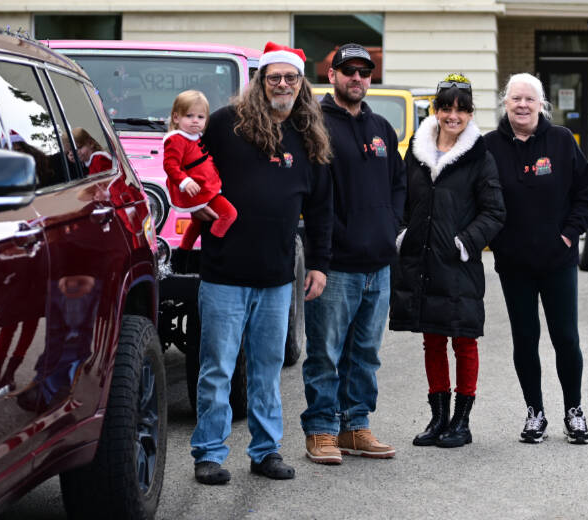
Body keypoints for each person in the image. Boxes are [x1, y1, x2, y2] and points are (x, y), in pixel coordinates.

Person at [190, 42, 333, 486]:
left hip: (276, 279)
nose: (283, 85)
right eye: (275, 77)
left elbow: (323, 209)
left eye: (291, 78)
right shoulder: (223, 126)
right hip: (224, 273)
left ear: (301, 84)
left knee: (268, 371)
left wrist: (319, 264)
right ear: (261, 81)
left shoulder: (309, 137)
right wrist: (191, 203)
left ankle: (265, 450)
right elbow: (188, 170)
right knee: (217, 369)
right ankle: (209, 454)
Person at [301, 43, 406, 464]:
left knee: (366, 354)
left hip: (378, 264)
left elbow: (399, 182)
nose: (358, 78)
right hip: (336, 266)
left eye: (365, 71)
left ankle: (355, 426)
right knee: (325, 353)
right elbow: (310, 195)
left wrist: (391, 223)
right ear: (332, 76)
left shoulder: (382, 127)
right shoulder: (316, 127)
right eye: (349, 71)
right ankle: (322, 430)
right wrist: (319, 259)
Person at [390, 74, 505, 449]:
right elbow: (403, 200)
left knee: (464, 341)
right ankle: (438, 417)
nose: (453, 115)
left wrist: (464, 243)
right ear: (436, 111)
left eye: (461, 109)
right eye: (446, 108)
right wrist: (403, 232)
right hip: (421, 261)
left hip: (458, 264)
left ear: (470, 114)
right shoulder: (417, 152)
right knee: (432, 340)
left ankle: (462, 421)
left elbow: (494, 212)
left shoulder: (480, 157)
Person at [483, 73, 588, 444]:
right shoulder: (489, 147)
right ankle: (535, 413)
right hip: (514, 265)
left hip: (557, 262)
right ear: (505, 102)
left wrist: (567, 236)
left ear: (542, 104)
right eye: (516, 98)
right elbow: (479, 201)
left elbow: (586, 196)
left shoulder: (562, 141)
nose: (522, 105)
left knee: (566, 339)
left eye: (530, 99)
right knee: (525, 340)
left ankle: (573, 411)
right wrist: (497, 243)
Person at [163, 89, 238, 250]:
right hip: (198, 190)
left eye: (200, 117)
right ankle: (216, 246)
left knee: (196, 224)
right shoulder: (176, 140)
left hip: (206, 187)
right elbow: (170, 165)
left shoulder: (194, 137)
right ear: (176, 117)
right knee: (229, 214)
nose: (195, 121)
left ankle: (183, 253)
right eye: (189, 116)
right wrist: (185, 181)